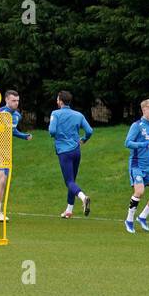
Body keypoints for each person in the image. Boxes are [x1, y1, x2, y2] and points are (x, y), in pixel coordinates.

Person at [48, 90, 93, 219]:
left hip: (64, 152)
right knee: (72, 180)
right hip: (76, 151)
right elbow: (89, 131)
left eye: (57, 99)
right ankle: (69, 210)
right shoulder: (78, 115)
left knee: (69, 182)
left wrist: (55, 134)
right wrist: (84, 139)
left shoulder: (55, 113)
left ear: (61, 101)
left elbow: (52, 131)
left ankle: (83, 198)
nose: (56, 101)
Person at [0, 89, 33, 222]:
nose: (16, 103)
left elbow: (12, 131)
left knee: (3, 182)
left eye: (18, 101)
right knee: (0, 178)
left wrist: (23, 136)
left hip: (6, 151)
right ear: (6, 100)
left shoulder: (17, 116)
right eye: (13, 100)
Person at [124, 99, 149, 233]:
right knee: (139, 191)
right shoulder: (136, 126)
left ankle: (142, 217)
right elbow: (127, 143)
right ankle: (129, 220)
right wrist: (141, 145)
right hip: (137, 165)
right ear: (144, 110)